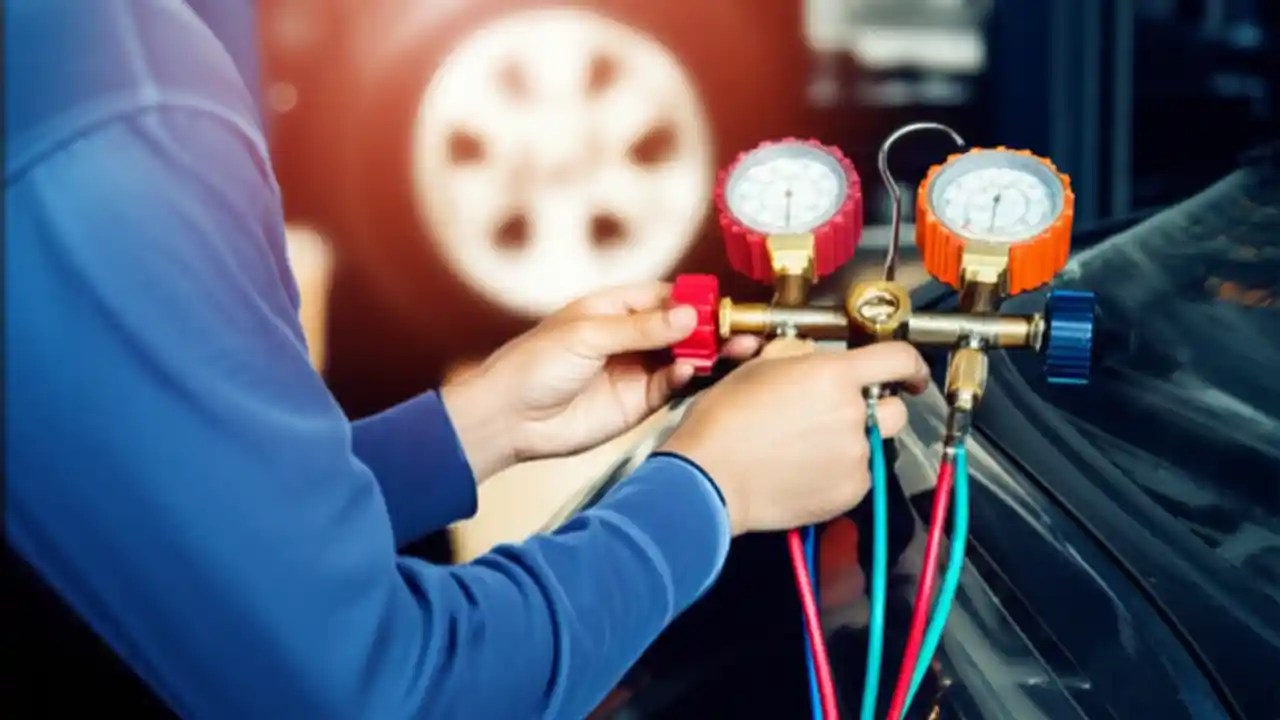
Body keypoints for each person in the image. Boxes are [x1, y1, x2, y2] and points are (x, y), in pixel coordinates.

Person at [5, 1, 929, 718]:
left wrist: (467, 432)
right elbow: (379, 695)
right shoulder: (118, 101)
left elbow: (139, 515)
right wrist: (711, 487)